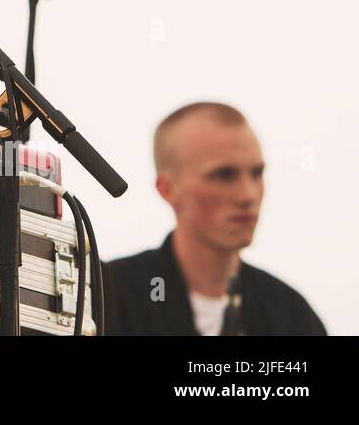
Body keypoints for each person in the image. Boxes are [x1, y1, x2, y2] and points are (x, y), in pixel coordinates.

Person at [102, 101, 325, 335]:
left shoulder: (292, 315)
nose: (248, 194)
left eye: (256, 173)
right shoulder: (106, 297)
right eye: (224, 175)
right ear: (167, 189)